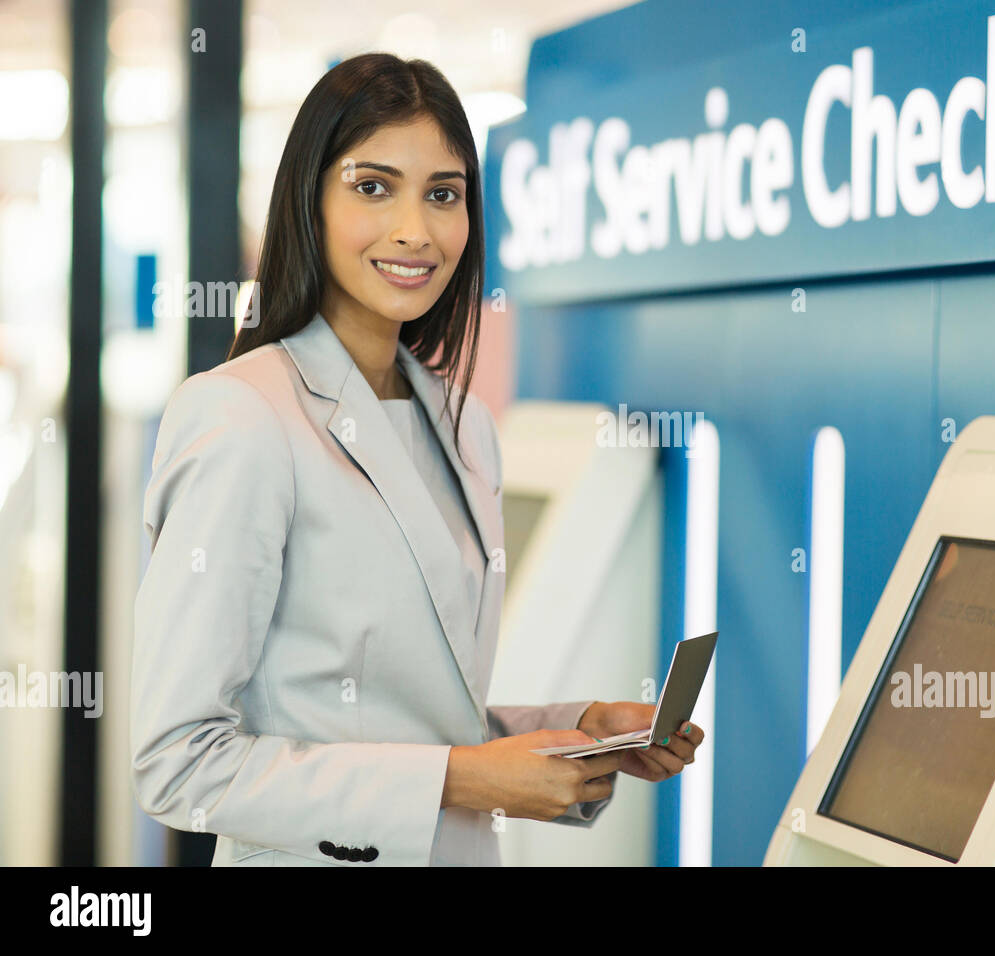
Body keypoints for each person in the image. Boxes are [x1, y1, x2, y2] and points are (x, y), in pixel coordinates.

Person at [130, 52, 704, 866]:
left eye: (443, 194)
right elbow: (178, 763)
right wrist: (468, 780)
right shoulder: (243, 415)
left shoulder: (464, 424)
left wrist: (570, 735)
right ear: (310, 201)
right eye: (373, 187)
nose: (416, 230)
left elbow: (419, 724)